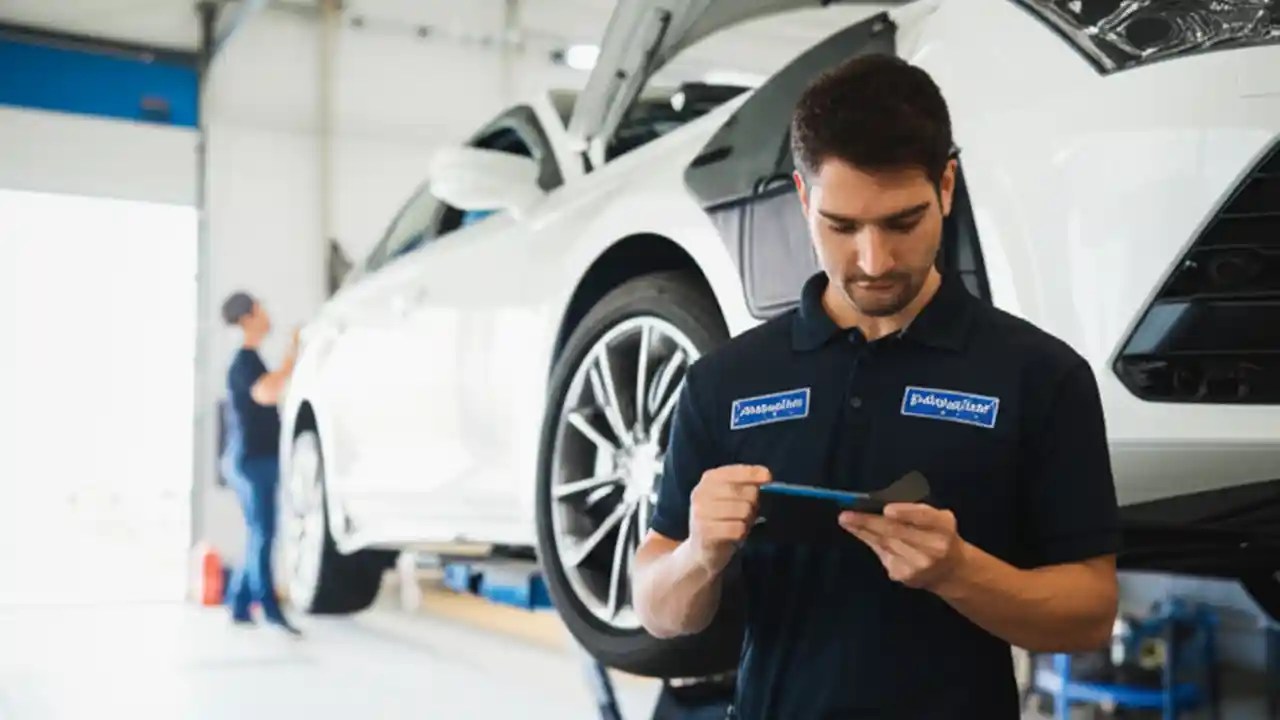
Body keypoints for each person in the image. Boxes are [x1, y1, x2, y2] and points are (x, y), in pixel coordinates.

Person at [633, 54, 1120, 719]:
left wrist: (959, 573)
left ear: (947, 186)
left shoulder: (1038, 375)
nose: (873, 260)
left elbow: (1089, 612)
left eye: (901, 222)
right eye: (841, 226)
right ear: (803, 199)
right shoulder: (727, 381)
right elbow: (659, 611)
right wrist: (698, 554)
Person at [220, 291, 302, 636]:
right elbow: (266, 393)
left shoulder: (250, 361)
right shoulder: (244, 362)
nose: (267, 315)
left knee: (257, 533)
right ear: (248, 317)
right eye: (261, 309)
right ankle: (270, 609)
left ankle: (239, 604)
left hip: (253, 460)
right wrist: (293, 357)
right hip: (252, 462)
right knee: (264, 534)